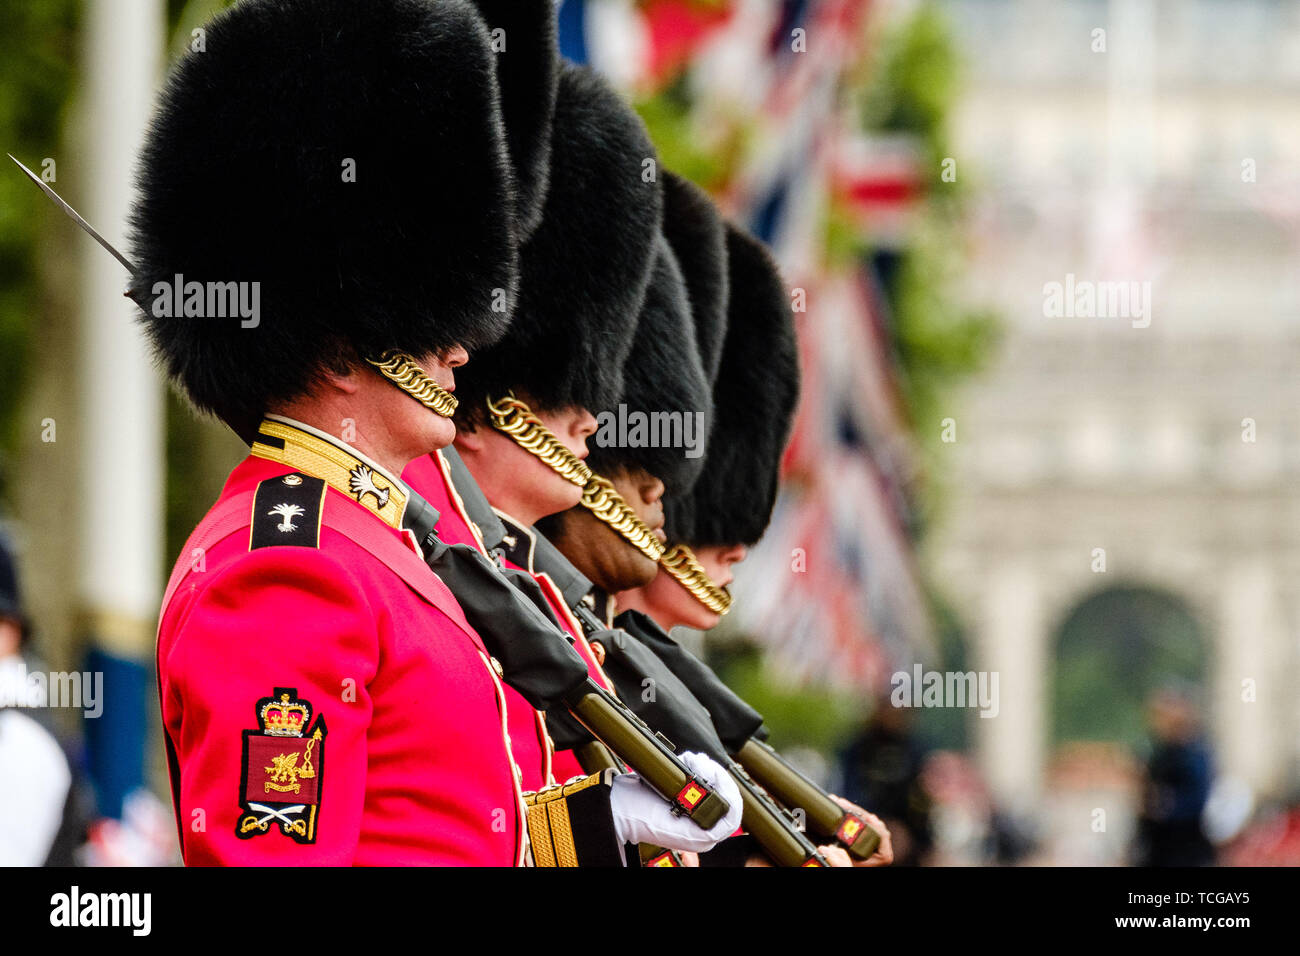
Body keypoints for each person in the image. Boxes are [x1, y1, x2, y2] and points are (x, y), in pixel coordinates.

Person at [136, 0, 735, 866]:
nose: (462, 345)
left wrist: (599, 823)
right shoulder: (287, 568)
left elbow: (441, 834)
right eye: (428, 317)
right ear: (343, 346)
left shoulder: (390, 551)